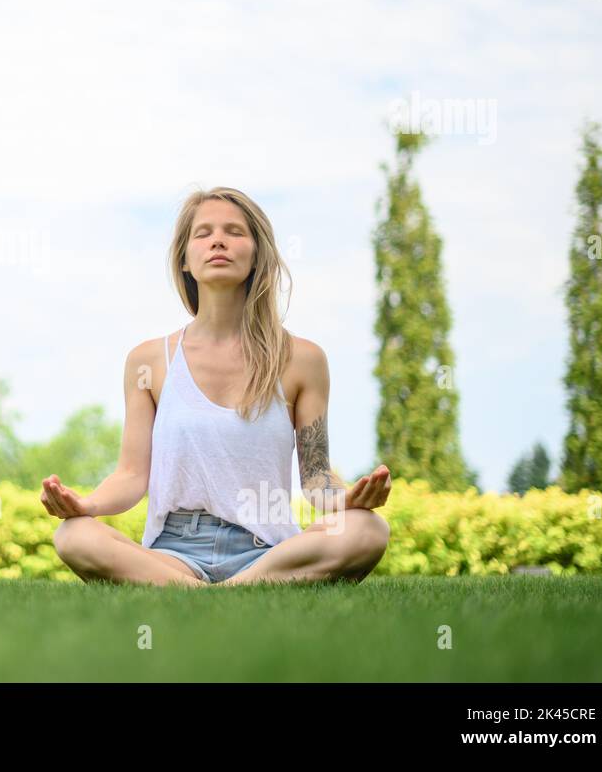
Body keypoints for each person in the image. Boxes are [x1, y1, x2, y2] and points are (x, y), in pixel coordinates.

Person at [43, 188, 392, 588]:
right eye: (203, 233)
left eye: (234, 232)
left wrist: (346, 501)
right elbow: (131, 475)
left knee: (367, 530)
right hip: (174, 553)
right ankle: (221, 592)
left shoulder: (303, 360)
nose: (219, 240)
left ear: (258, 253)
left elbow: (315, 477)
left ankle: (215, 593)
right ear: (186, 260)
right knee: (74, 535)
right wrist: (85, 505)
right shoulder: (148, 361)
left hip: (268, 551)